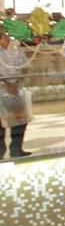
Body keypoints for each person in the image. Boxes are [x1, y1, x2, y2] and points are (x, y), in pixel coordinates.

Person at [0, 28, 32, 158]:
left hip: (17, 90)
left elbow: (25, 67)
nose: (7, 38)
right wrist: (7, 84)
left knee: (20, 120)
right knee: (1, 123)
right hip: (1, 91)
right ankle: (0, 151)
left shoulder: (16, 50)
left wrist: (17, 82)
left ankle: (16, 148)